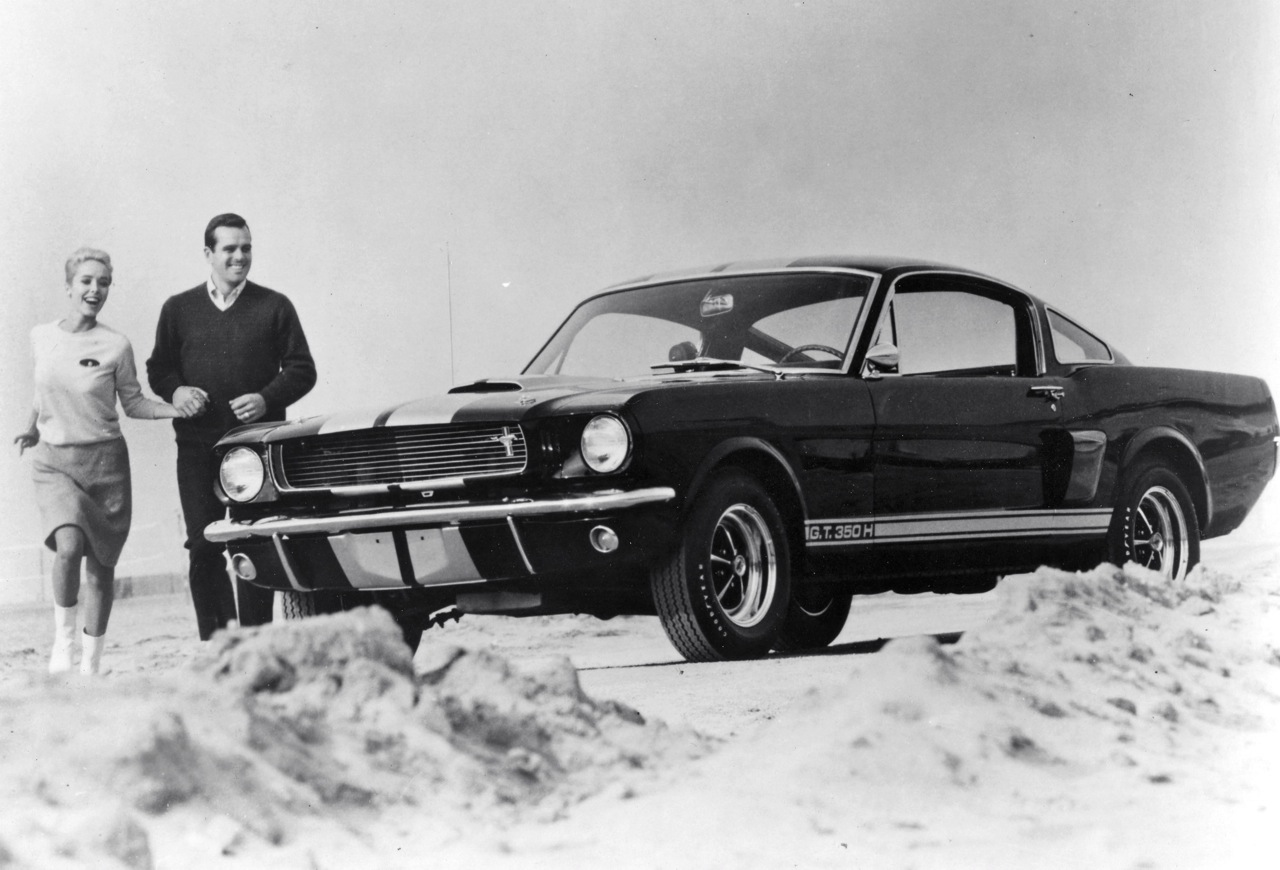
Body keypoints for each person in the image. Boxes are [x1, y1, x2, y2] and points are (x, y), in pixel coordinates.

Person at [15, 248, 189, 675]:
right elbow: (43, 391)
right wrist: (31, 426)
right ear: (69, 286)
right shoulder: (41, 336)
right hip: (55, 461)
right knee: (69, 545)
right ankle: (64, 644)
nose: (95, 290)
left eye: (104, 283)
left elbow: (133, 403)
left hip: (106, 464)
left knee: (102, 567)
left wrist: (175, 409)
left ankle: (91, 664)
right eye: (87, 281)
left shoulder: (116, 345)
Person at [147, 213, 316, 640]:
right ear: (209, 254)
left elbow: (302, 369)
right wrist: (178, 391)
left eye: (246, 248)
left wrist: (266, 398)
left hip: (254, 449)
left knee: (251, 542)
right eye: (230, 249)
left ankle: (254, 642)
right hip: (197, 447)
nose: (240, 257)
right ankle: (220, 641)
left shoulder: (274, 306)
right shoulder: (178, 309)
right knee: (204, 544)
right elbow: (159, 369)